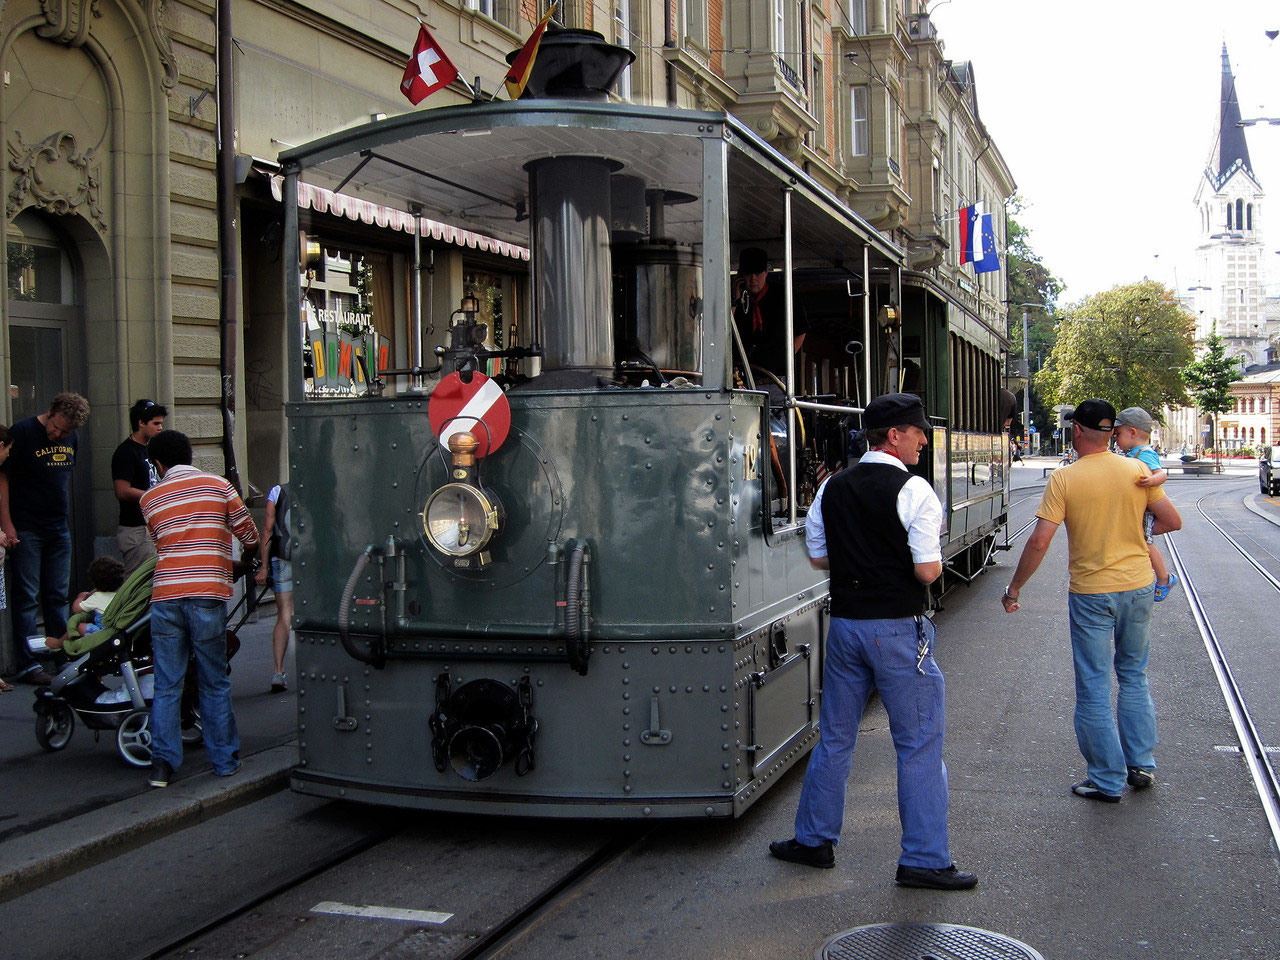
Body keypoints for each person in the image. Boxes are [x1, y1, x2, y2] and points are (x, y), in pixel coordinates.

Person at [769, 393, 978, 891]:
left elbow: (820, 559)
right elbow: (928, 570)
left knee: (836, 735)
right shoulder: (916, 491)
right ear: (894, 435)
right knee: (919, 743)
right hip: (898, 629)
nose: (925, 440)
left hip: (844, 626)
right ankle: (924, 859)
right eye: (918, 431)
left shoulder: (831, 487)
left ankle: (814, 840)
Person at [1001, 398, 1182, 801]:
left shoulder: (1065, 479)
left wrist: (1015, 589)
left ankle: (1106, 778)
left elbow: (1039, 541)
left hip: (1092, 593)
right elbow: (1172, 521)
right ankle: (1141, 764)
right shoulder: (1137, 470)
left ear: (1076, 431)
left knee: (1095, 684)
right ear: (1108, 433)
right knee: (1134, 675)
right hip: (1137, 587)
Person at [141, 429, 259, 788]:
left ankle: (162, 766)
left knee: (167, 684)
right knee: (213, 680)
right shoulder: (219, 485)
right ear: (190, 456)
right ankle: (224, 762)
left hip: (165, 596)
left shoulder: (150, 499)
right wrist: (242, 562)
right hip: (207, 592)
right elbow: (249, 534)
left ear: (159, 464)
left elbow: (161, 543)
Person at [1, 392, 90, 686]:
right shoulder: (24, 432)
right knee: (28, 598)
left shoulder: (70, 439)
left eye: (65, 432)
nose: (57, 434)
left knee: (57, 595)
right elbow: (3, 479)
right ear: (50, 412)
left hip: (58, 527)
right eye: (55, 427)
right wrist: (8, 525)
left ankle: (61, 651)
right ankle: (28, 663)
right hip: (27, 526)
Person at [1113, 406, 1178, 602]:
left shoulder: (1144, 452)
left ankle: (1164, 578)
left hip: (1146, 509)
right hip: (1138, 508)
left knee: (1144, 542)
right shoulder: (1132, 453)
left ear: (1132, 433)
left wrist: (1151, 481)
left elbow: (1161, 473)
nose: (1115, 438)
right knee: (1139, 540)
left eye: (1118, 434)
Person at [732, 247, 808, 378]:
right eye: (748, 274)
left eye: (758, 273)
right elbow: (724, 330)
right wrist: (735, 300)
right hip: (742, 376)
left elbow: (801, 330)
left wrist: (785, 357)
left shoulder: (785, 295)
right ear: (741, 275)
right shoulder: (735, 299)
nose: (753, 279)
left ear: (766, 272)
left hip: (775, 376)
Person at [112, 399, 167, 573]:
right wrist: (153, 495)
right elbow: (122, 491)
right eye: (155, 423)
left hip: (154, 526)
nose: (160, 428)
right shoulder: (126, 452)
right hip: (136, 529)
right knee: (139, 582)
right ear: (141, 423)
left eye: (161, 423)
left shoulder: (152, 450)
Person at [43, 555, 126, 651]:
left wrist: (81, 597)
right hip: (119, 632)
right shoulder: (121, 595)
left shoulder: (97, 597)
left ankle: (58, 643)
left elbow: (76, 608)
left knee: (79, 627)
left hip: (102, 634)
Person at [256, 483, 294, 693]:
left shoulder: (278, 491)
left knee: (284, 615)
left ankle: (278, 672)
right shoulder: (321, 487)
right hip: (311, 560)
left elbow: (268, 529)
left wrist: (263, 567)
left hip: (282, 558)